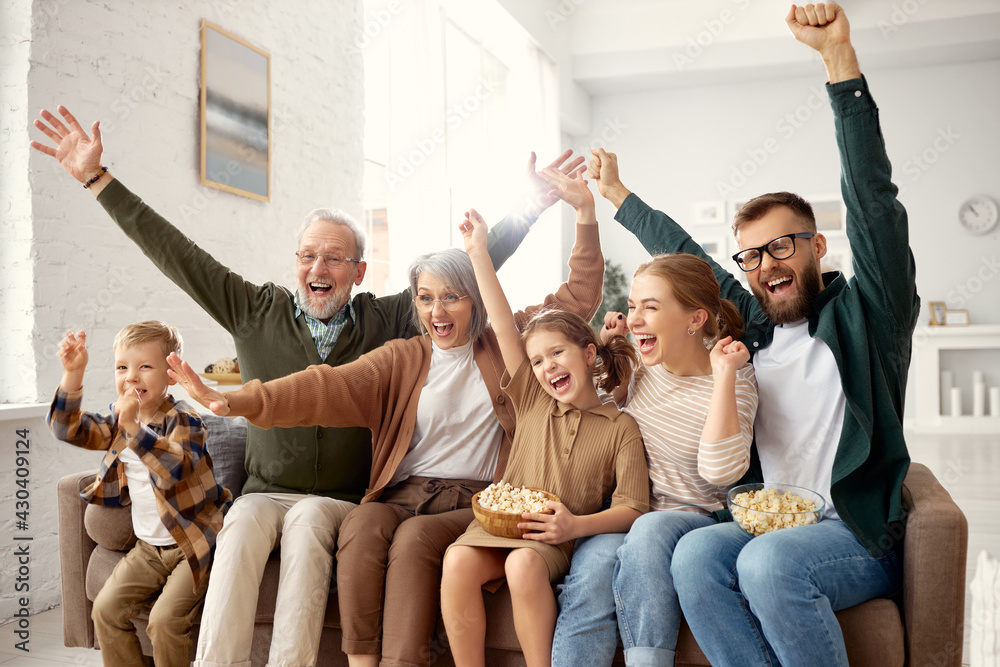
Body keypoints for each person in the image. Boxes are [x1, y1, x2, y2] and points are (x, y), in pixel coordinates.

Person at [30, 105, 579, 666]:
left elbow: (458, 277)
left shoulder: (386, 320)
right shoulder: (253, 310)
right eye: (309, 255)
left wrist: (531, 207)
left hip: (339, 499)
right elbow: (178, 255)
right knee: (240, 523)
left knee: (312, 525)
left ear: (359, 271)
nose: (319, 267)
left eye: (335, 258)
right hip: (264, 491)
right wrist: (98, 180)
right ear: (296, 263)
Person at [165, 166, 604, 667]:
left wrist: (583, 216)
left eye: (451, 297)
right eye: (425, 298)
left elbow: (579, 299)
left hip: (475, 495)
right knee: (363, 524)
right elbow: (324, 386)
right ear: (414, 303)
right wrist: (237, 401)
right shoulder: (403, 357)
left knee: (415, 539)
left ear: (475, 298)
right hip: (405, 491)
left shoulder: (506, 344)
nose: (437, 311)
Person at [586, 4, 917, 665]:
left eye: (784, 246)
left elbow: (872, 201)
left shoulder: (868, 313)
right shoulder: (758, 327)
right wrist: (618, 194)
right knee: (695, 553)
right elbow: (686, 258)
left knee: (767, 565)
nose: (768, 265)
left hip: (851, 530)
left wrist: (837, 63)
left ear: (817, 246)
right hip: (766, 518)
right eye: (753, 255)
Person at [440, 180, 650, 667]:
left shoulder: (620, 427)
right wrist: (477, 252)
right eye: (537, 361)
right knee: (456, 559)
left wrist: (574, 525)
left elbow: (634, 508)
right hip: (495, 524)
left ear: (588, 352)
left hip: (552, 537)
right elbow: (498, 318)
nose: (547, 367)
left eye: (557, 353)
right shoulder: (533, 400)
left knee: (522, 563)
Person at [551, 253, 758, 667]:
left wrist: (722, 378)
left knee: (649, 530)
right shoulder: (646, 368)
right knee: (591, 571)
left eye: (650, 307)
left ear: (695, 319)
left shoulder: (735, 378)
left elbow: (721, 473)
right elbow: (590, 412)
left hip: (696, 521)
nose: (635, 319)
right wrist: (607, 352)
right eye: (632, 307)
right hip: (633, 515)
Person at [46, 321, 232, 667]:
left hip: (194, 543)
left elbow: (175, 468)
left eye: (144, 366)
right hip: (148, 549)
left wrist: (133, 429)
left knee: (165, 621)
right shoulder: (118, 420)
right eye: (122, 367)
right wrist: (73, 374)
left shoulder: (185, 420)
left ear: (171, 375)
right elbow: (65, 428)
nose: (131, 377)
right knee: (104, 611)